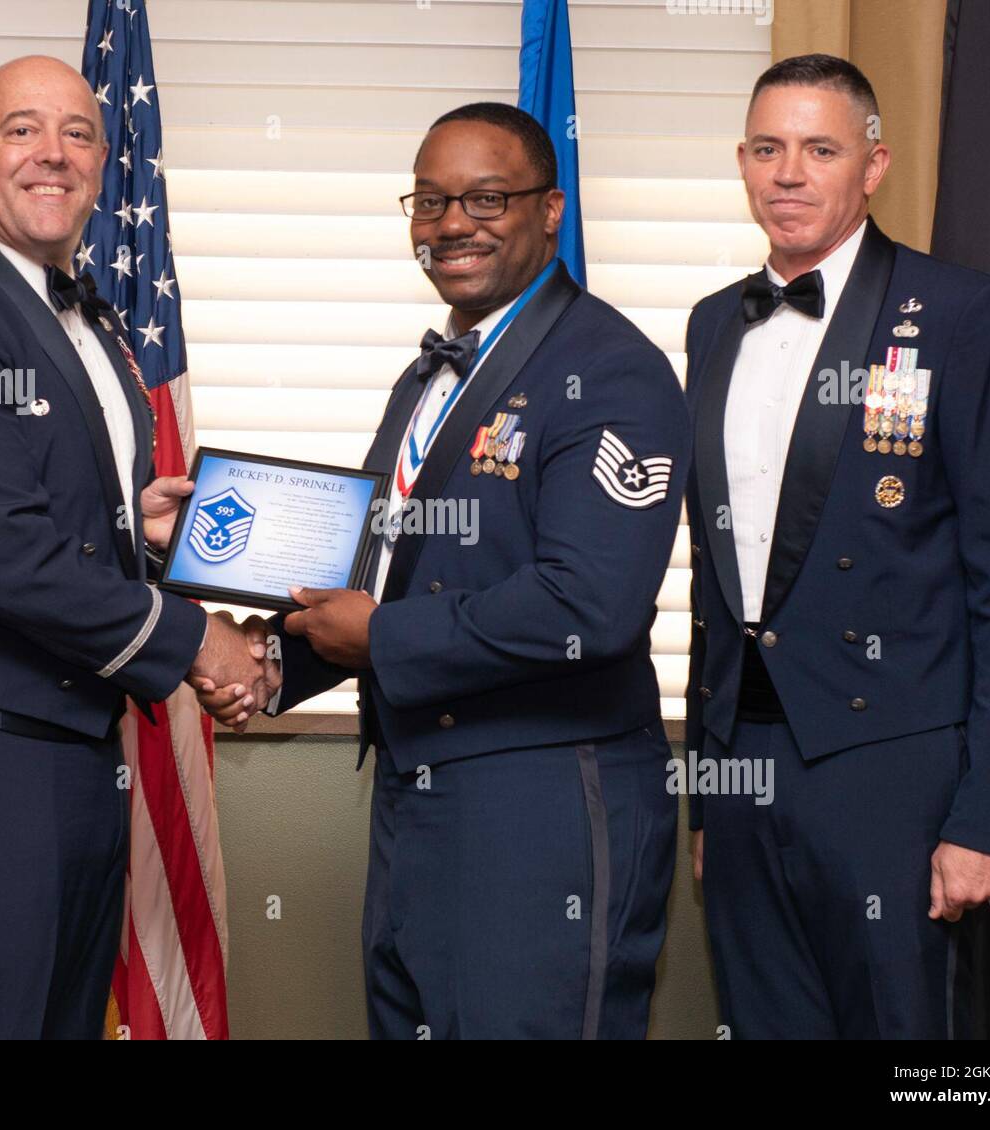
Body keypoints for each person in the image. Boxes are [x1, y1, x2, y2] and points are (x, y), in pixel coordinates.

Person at [200, 103, 690, 1039]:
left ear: (551, 211)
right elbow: (390, 569)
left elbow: (589, 603)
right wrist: (274, 661)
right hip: (416, 795)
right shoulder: (431, 374)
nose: (451, 223)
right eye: (429, 202)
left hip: (541, 805)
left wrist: (378, 635)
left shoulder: (610, 368)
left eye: (486, 198)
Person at [0, 55, 271, 1039]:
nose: (52, 154)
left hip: (72, 749)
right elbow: (10, 560)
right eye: (22, 128)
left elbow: (49, 510)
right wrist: (201, 642)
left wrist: (135, 523)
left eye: (77, 132)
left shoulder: (86, 317)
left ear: (104, 161)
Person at [683, 54, 990, 1039]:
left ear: (874, 165)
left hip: (893, 768)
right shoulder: (711, 324)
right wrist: (703, 791)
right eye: (767, 149)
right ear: (739, 162)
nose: (788, 174)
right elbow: (714, 576)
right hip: (742, 762)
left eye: (819, 148)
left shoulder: (963, 316)